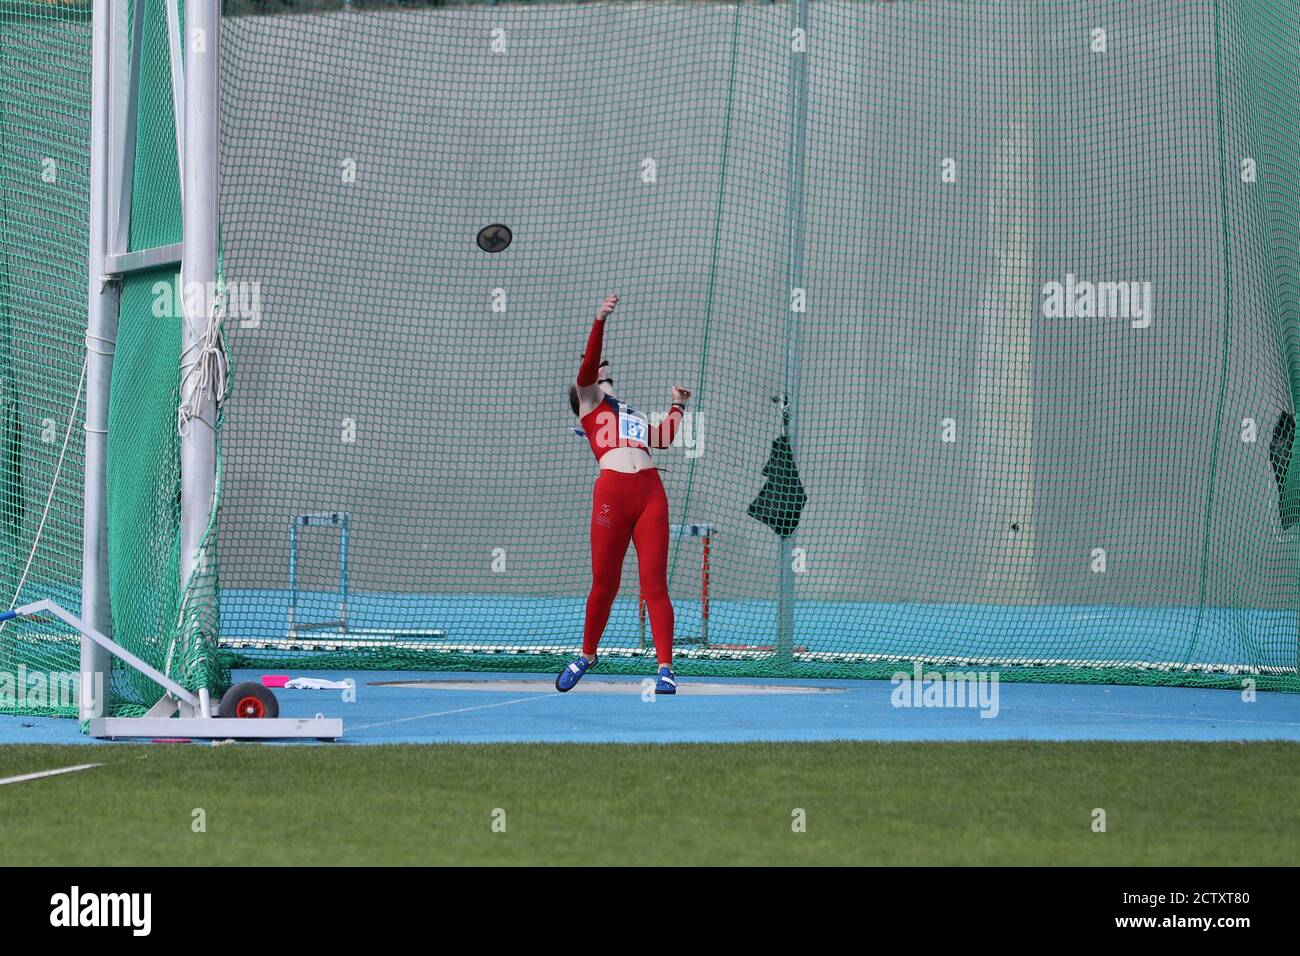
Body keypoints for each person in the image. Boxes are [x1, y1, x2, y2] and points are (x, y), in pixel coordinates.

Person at [558, 294, 690, 694]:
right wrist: (599, 320)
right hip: (613, 494)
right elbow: (588, 366)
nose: (603, 372)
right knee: (605, 582)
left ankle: (665, 668)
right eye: (600, 372)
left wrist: (677, 405)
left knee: (655, 584)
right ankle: (587, 655)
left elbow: (663, 439)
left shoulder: (626, 411)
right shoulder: (588, 402)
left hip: (650, 492)